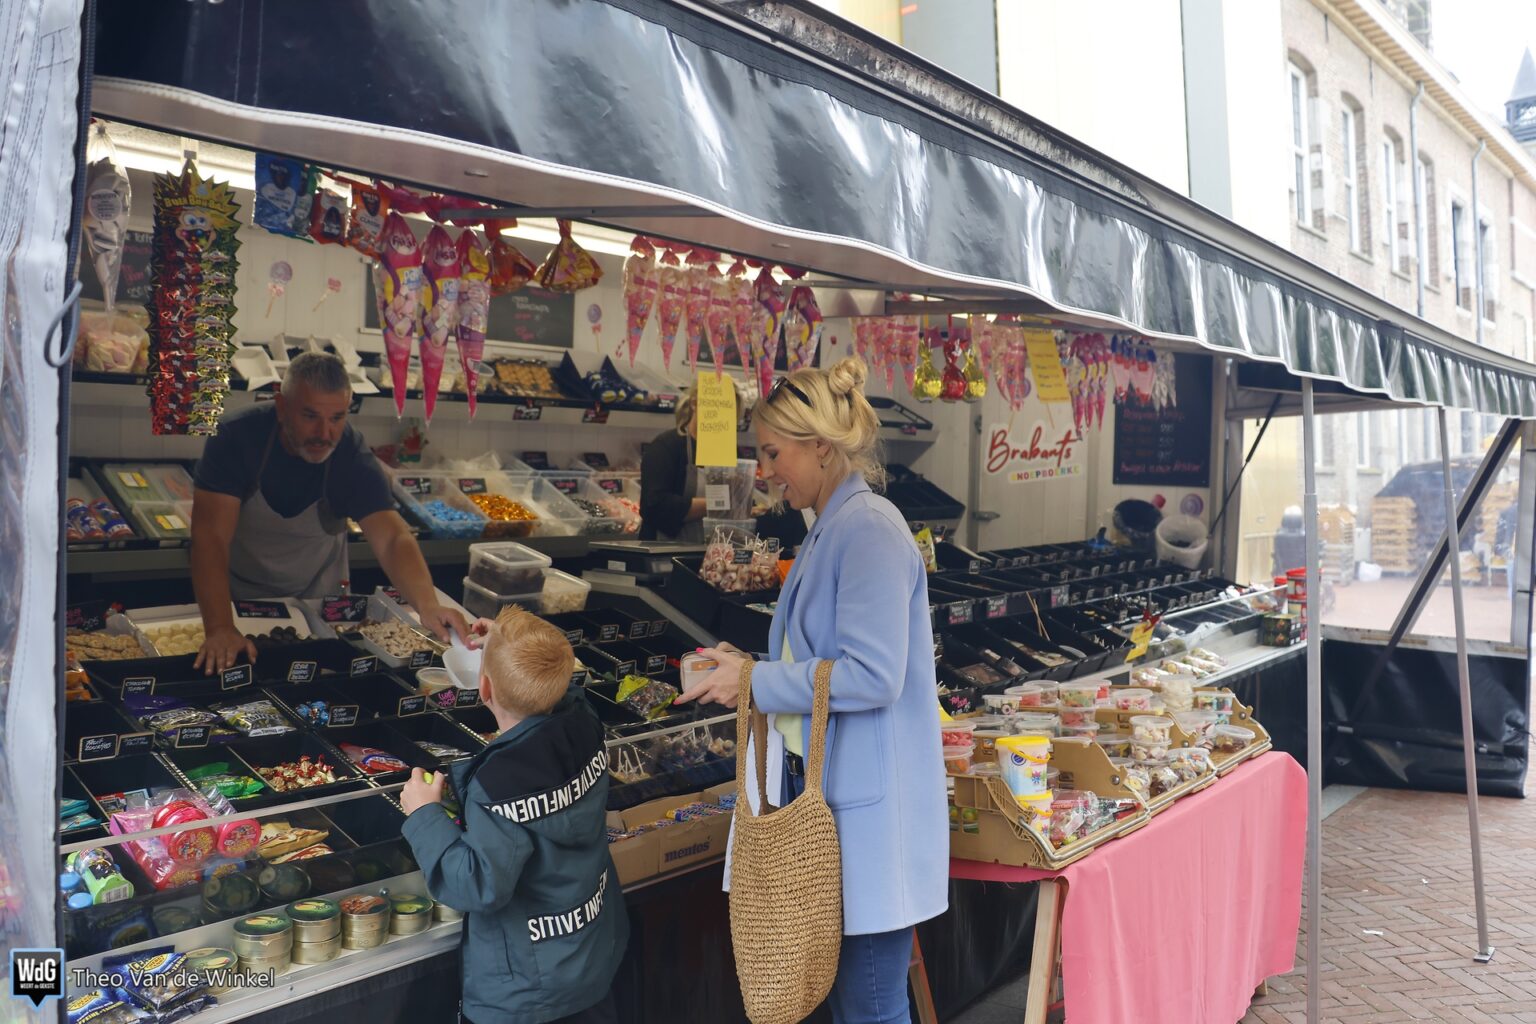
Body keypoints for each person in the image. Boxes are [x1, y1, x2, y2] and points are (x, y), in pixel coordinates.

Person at [677, 357, 948, 1024]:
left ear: (820, 447)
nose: (763, 471)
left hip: (871, 819)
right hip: (841, 810)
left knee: (873, 1007)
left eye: (772, 453)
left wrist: (757, 681)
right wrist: (745, 664)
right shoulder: (833, 527)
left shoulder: (869, 530)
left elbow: (873, 674)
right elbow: (825, 659)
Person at [400, 607, 628, 1024]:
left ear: (483, 688)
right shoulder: (586, 724)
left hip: (524, 991)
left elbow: (477, 884)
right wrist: (509, 643)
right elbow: (566, 689)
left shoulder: (499, 783)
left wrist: (425, 814)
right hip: (589, 956)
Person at [190, 352, 467, 673]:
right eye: (310, 416)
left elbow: (391, 537)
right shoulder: (236, 436)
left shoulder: (349, 451)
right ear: (281, 406)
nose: (325, 432)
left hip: (320, 603)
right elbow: (209, 537)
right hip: (238, 600)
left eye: (337, 418)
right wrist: (220, 627)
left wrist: (427, 604)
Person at [638, 389, 709, 541]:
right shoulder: (666, 446)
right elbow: (654, 505)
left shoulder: (729, 452)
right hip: (664, 553)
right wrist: (716, 505)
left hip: (712, 554)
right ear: (695, 404)